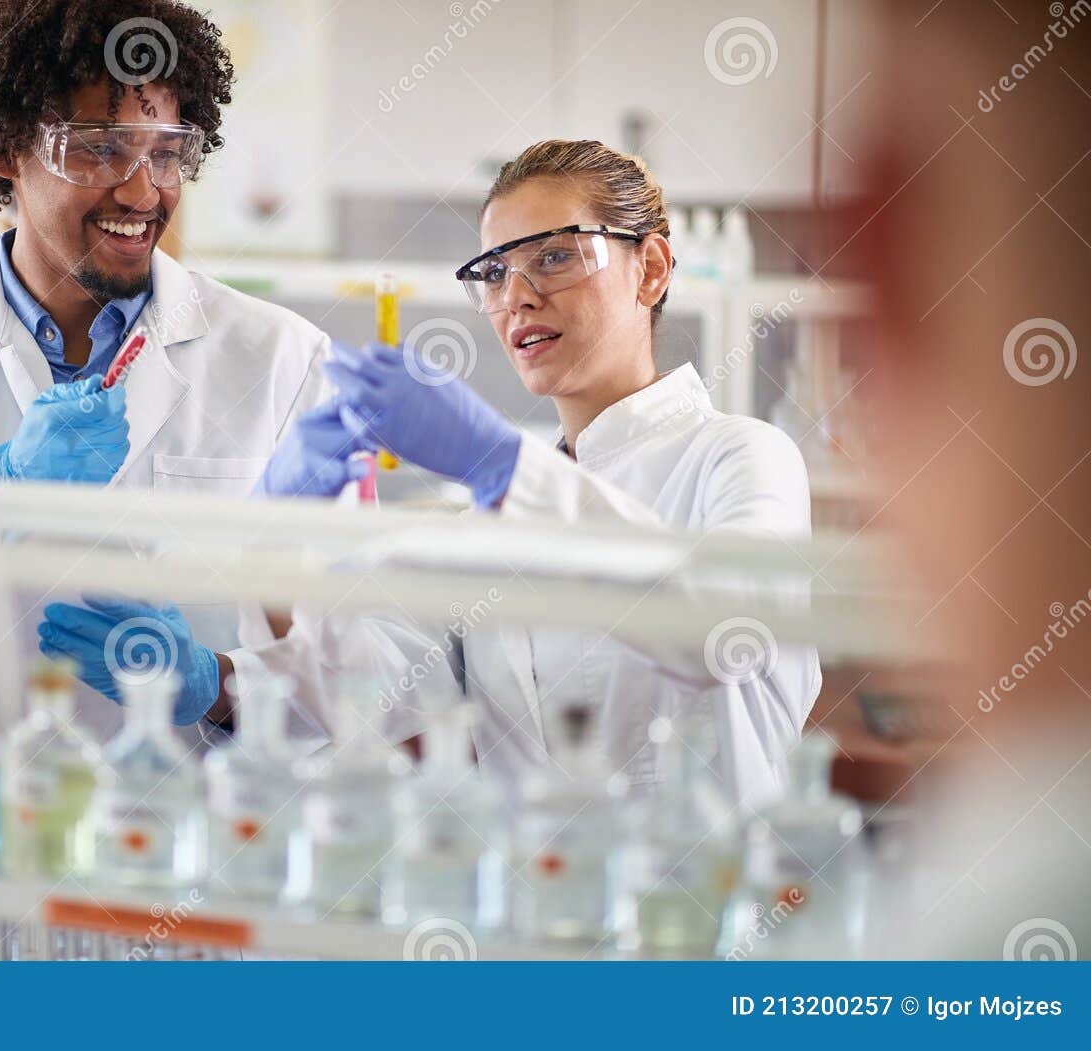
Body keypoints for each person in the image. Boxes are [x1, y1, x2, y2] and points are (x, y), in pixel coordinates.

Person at [0, 0, 330, 742]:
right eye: (100, 149)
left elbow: (367, 663)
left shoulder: (282, 358)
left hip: (197, 803)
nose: (142, 193)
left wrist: (219, 683)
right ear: (5, 150)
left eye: (166, 153)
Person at [253, 140, 822, 806]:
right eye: (494, 273)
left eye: (554, 256)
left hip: (703, 870)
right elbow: (376, 696)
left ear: (651, 270)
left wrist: (501, 466)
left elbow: (724, 635)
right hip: (526, 872)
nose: (516, 297)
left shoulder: (742, 457)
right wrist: (284, 548)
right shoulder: (491, 518)